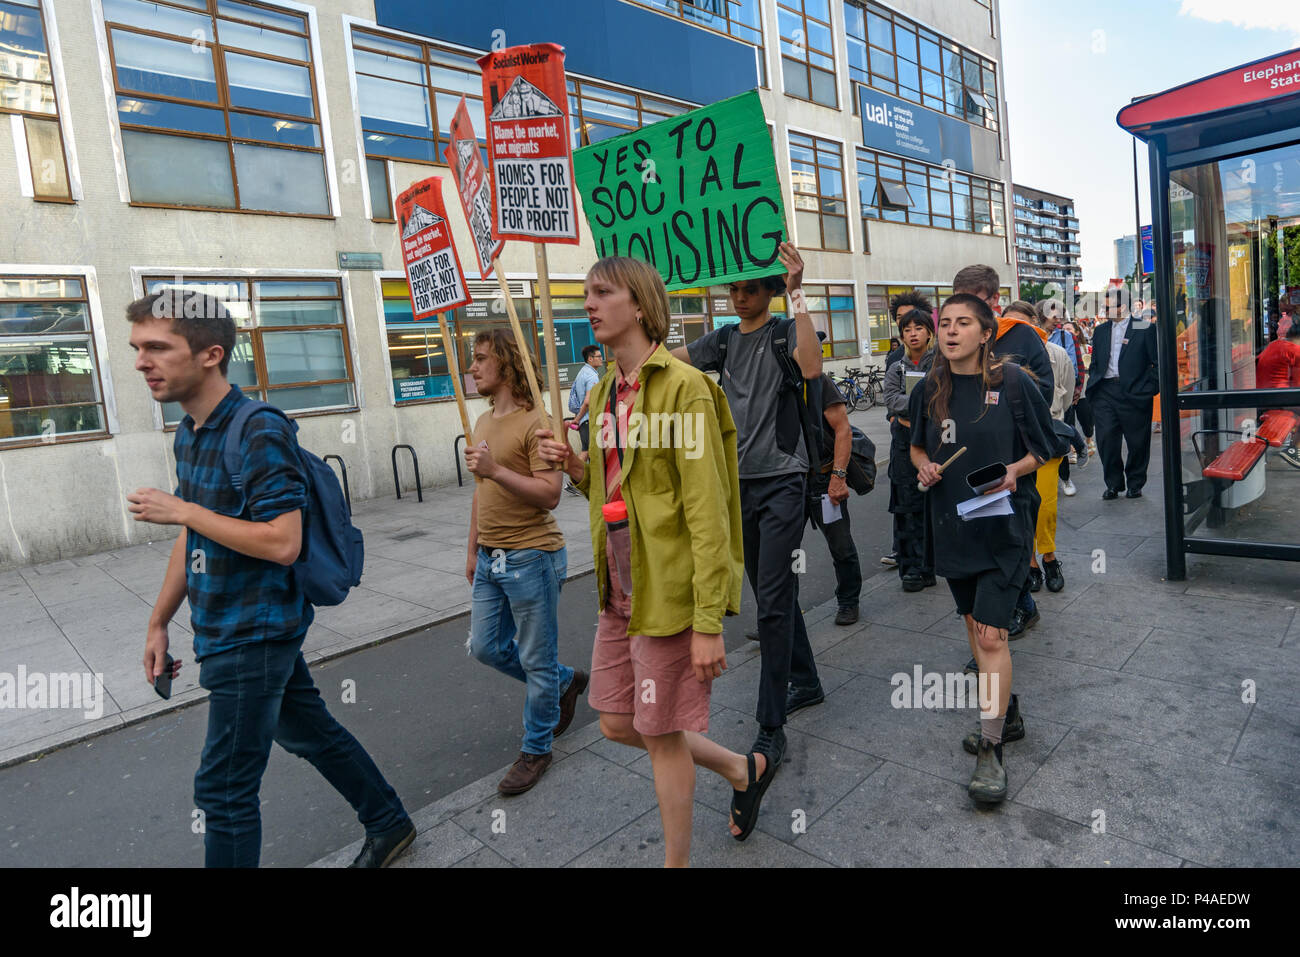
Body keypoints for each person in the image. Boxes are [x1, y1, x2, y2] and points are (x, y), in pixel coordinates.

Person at [126, 290, 414, 868]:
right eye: (137, 348)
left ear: (210, 354)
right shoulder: (190, 432)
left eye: (157, 347)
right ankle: (390, 823)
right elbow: (197, 537)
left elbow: (284, 542)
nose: (141, 362)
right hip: (221, 623)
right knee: (311, 733)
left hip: (254, 632)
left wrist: (183, 511)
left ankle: (389, 823)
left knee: (223, 792)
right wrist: (158, 621)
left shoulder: (258, 429)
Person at [537, 257, 769, 866]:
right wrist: (576, 467)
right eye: (586, 292)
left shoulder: (686, 389)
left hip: (668, 591)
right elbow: (618, 495)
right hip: (619, 587)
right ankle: (741, 769)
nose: (588, 303)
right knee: (616, 720)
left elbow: (709, 511)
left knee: (662, 733)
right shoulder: (607, 391)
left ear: (639, 304)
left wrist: (708, 620)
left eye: (601, 292)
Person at [671, 241, 823, 768]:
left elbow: (811, 367)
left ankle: (770, 726)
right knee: (769, 587)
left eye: (748, 288)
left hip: (784, 477)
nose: (738, 296)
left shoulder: (784, 331)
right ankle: (805, 679)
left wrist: (798, 293)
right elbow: (668, 361)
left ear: (769, 291)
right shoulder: (724, 340)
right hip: (738, 484)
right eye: (733, 288)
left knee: (773, 599)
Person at [910, 293, 1056, 804]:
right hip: (952, 527)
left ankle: (990, 749)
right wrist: (924, 465)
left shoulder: (1013, 383)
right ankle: (1007, 714)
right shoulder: (931, 386)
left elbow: (1048, 446)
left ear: (985, 333)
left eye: (963, 323)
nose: (950, 332)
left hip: (1005, 528)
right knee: (974, 625)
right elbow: (917, 445)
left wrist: (1013, 473)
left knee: (993, 637)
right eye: (944, 323)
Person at [463, 329, 585, 796]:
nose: (472, 368)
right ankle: (563, 681)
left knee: (534, 658)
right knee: (485, 647)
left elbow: (551, 494)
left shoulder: (539, 421)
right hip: (491, 559)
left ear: (506, 363)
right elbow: (481, 491)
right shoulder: (481, 420)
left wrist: (495, 469)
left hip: (532, 556)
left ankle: (536, 748)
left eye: (480, 359)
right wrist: (472, 546)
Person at [953, 267, 1051, 641]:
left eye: (974, 298)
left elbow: (1042, 393)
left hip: (1013, 460)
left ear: (994, 302)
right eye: (959, 296)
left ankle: (1005, 618)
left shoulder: (1022, 336)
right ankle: (1013, 609)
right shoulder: (954, 339)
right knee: (981, 544)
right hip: (967, 461)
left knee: (1010, 537)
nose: (965, 306)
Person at [882, 292, 936, 592]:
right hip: (903, 444)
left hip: (936, 441)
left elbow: (944, 398)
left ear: (929, 331)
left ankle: (932, 564)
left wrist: (911, 406)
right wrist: (919, 404)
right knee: (906, 506)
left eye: (918, 327)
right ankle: (911, 568)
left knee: (932, 505)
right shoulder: (895, 367)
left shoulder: (942, 362)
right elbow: (891, 400)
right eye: (906, 329)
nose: (912, 334)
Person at [1085, 288, 1160, 499]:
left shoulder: (1144, 327)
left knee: (1137, 442)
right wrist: (1094, 381)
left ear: (1123, 307)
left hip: (1135, 393)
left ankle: (1135, 483)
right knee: (1106, 440)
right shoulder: (1100, 331)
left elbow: (1157, 362)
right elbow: (1097, 362)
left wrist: (1149, 388)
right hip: (1105, 392)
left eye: (1107, 306)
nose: (1103, 310)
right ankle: (1113, 484)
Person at [812, 366, 863, 624]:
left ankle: (848, 600)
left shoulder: (819, 382)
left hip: (823, 479)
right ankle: (777, 613)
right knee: (780, 552)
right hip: (787, 483)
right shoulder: (768, 378)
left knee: (840, 545)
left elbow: (843, 429)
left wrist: (837, 476)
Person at [1256, 320, 1300, 469]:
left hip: (1263, 394)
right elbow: (1298, 386)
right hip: (1279, 398)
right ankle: (1294, 449)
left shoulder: (1275, 344)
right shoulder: (1295, 351)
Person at [567, 344, 604, 456]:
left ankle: (579, 473)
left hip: (584, 420)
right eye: (599, 356)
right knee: (588, 452)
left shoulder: (582, 372)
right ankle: (578, 473)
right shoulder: (592, 376)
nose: (601, 358)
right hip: (588, 419)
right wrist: (577, 419)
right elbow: (588, 401)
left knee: (586, 451)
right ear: (590, 359)